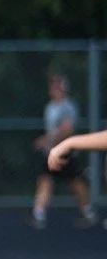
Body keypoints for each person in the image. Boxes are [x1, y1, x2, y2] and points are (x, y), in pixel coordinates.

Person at [29, 74, 96, 229]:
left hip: (66, 153)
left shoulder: (68, 107)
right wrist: (47, 142)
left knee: (75, 182)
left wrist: (46, 140)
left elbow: (67, 129)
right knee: (45, 179)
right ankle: (38, 214)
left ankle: (88, 212)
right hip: (52, 153)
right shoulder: (50, 107)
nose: (54, 90)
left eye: (57, 87)